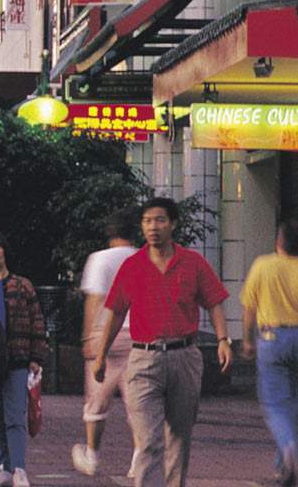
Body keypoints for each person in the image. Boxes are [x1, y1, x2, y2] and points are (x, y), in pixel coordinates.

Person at [93, 196, 232, 487]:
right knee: (148, 441)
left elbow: (215, 302)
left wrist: (223, 339)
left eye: (159, 220)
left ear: (173, 224)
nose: (152, 227)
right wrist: (100, 355)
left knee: (179, 437)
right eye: (146, 221)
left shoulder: (193, 263)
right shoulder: (132, 266)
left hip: (184, 357)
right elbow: (116, 313)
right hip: (144, 360)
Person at [240, 218, 298, 487]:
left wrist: (247, 340)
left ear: (278, 241)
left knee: (273, 404)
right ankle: (283, 466)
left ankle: (289, 447)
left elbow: (249, 308)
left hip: (271, 337)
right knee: (293, 404)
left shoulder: (262, 265)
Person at [0, 230, 49, 487]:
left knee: (15, 416)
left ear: (4, 251)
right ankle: (4, 465)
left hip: (17, 358)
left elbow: (36, 320)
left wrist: (36, 356)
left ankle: (18, 467)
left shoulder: (22, 285)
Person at [73, 209, 141, 478]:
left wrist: (88, 337)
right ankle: (138, 458)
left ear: (110, 233)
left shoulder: (99, 260)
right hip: (138, 334)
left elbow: (95, 300)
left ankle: (92, 454)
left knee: (96, 400)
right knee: (137, 401)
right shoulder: (142, 257)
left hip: (106, 335)